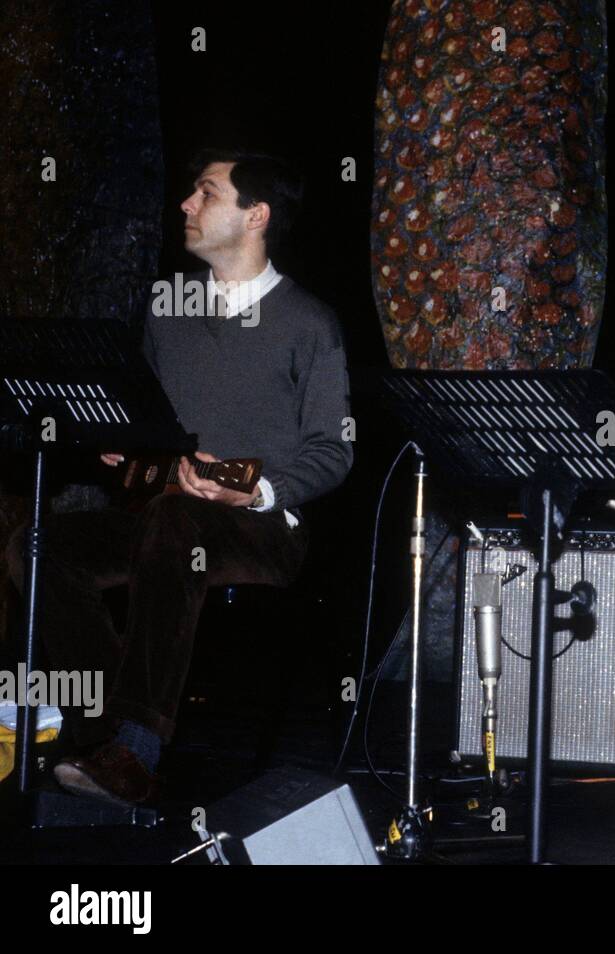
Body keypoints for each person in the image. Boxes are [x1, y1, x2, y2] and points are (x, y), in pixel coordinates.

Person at [4, 149, 353, 805]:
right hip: (163, 516)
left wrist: (259, 489)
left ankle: (132, 755)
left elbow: (334, 452)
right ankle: (104, 728)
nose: (186, 205)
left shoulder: (311, 324)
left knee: (173, 522)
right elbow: (155, 422)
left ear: (256, 216)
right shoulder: (168, 312)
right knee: (37, 546)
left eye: (205, 193)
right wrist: (119, 442)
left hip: (263, 529)